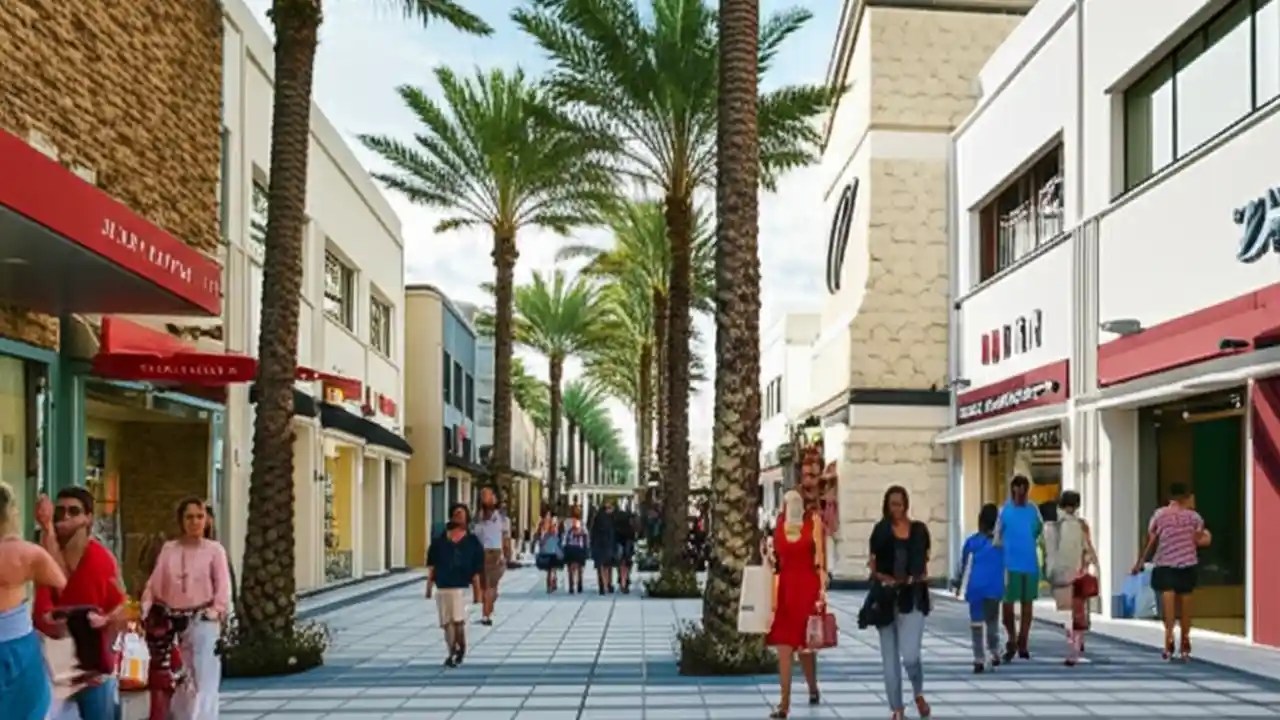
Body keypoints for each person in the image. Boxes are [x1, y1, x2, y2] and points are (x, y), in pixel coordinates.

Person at [34, 487, 127, 720]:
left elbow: (120, 606)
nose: (65, 517)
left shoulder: (100, 558)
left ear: (88, 518)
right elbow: (43, 609)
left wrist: (106, 620)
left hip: (93, 669)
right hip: (55, 669)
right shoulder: (44, 554)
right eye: (60, 511)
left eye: (73, 511)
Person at [141, 497, 232, 719]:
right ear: (181, 520)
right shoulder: (169, 549)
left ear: (207, 520)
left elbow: (223, 586)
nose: (195, 522)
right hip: (174, 624)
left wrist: (216, 611)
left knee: (205, 681)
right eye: (189, 517)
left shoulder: (215, 550)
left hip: (203, 622)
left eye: (200, 517)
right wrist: (145, 609)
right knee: (180, 680)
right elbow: (154, 584)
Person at [0, 483, 67, 720]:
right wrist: (48, 528)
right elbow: (62, 583)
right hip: (19, 647)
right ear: (11, 512)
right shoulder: (26, 553)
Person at [868, 486, 932, 720]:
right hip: (886, 599)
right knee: (889, 661)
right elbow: (872, 564)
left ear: (906, 504)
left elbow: (925, 564)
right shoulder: (880, 531)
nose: (896, 508)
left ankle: (918, 692)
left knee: (910, 655)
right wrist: (882, 578)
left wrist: (916, 578)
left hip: (912, 597)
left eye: (899, 503)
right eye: (892, 504)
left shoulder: (919, 531)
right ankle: (896, 708)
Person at [1131, 482, 1209, 661]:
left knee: (1168, 606)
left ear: (1170, 497)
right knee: (1186, 605)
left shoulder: (1159, 515)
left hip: (1165, 564)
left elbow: (1151, 540)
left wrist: (1140, 562)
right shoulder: (1194, 517)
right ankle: (1186, 641)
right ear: (1186, 497)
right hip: (1187, 564)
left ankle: (1169, 638)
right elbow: (1199, 539)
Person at [764, 490, 825, 720]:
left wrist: (822, 592)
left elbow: (820, 559)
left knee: (806, 647)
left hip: (807, 591)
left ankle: (812, 688)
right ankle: (784, 704)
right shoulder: (780, 524)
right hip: (785, 591)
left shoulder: (812, 523)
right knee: (784, 647)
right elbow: (776, 557)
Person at [427, 504, 483, 667]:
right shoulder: (440, 541)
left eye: (462, 514)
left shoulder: (472, 541)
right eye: (456, 514)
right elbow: (432, 565)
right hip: (443, 585)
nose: (459, 517)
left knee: (458, 621)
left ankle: (461, 647)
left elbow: (477, 569)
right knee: (447, 622)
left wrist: (477, 592)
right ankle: (451, 651)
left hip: (462, 586)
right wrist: (428, 587)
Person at [1046, 491, 1097, 666]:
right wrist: (1091, 564)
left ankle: (1072, 647)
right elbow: (1088, 548)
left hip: (1060, 575)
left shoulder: (1052, 526)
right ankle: (1076, 645)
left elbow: (1050, 552)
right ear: (1077, 506)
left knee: (1067, 613)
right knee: (1078, 611)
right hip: (1078, 573)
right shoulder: (1081, 525)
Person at [996, 474, 1043, 662]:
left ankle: (1023, 641)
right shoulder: (1004, 511)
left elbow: (1038, 531)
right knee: (1007, 606)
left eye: (1025, 491)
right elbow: (997, 535)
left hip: (1029, 564)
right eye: (1019, 491)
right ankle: (1011, 638)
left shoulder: (1033, 510)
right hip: (1009, 564)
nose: (1022, 495)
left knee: (1027, 605)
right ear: (1013, 491)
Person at [954, 503, 1003, 673]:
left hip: (975, 587)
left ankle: (978, 657)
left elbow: (963, 565)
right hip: (994, 588)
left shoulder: (972, 541)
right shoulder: (1000, 543)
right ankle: (994, 651)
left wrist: (958, 584)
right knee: (992, 621)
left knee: (976, 623)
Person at [471, 486, 509, 626]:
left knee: (487, 586)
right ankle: (486, 614)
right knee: (491, 586)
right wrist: (507, 555)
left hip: (484, 551)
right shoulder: (500, 517)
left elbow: (474, 535)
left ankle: (487, 613)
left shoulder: (478, 517)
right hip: (494, 552)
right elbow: (505, 538)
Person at [590, 502, 618, 594]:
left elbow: (593, 532)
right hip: (608, 545)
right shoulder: (610, 519)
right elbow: (612, 533)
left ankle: (601, 584)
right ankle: (608, 583)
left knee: (600, 566)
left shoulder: (597, 518)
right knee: (608, 566)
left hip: (598, 544)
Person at [534, 512, 563, 593]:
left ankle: (551, 583)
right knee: (552, 569)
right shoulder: (545, 528)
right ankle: (552, 583)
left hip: (549, 552)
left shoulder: (547, 528)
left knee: (551, 569)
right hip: (550, 552)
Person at [563, 506, 589, 594]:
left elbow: (565, 534)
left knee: (570, 567)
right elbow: (586, 534)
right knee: (579, 567)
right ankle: (579, 584)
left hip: (569, 546)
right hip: (579, 547)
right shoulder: (581, 523)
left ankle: (571, 585)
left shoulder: (567, 522)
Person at [613, 503, 637, 594]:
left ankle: (622, 581)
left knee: (621, 564)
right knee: (626, 564)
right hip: (627, 547)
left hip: (620, 546)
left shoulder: (617, 527)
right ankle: (625, 580)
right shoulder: (630, 529)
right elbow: (633, 538)